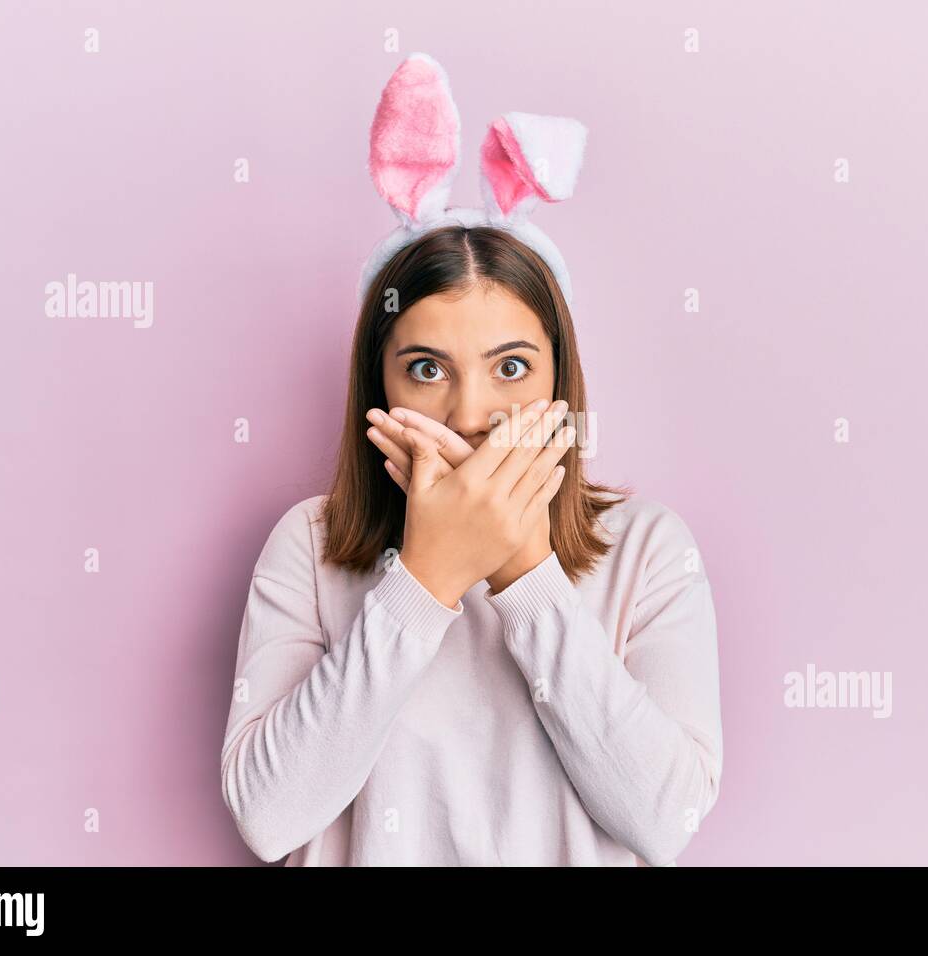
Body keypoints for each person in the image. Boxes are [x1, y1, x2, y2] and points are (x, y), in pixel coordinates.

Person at [220, 53, 723, 866]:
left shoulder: (649, 551)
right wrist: (423, 580)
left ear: (562, 379)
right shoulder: (308, 550)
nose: (472, 414)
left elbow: (665, 821)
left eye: (512, 368)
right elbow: (271, 817)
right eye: (426, 370)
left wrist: (524, 570)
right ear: (374, 386)